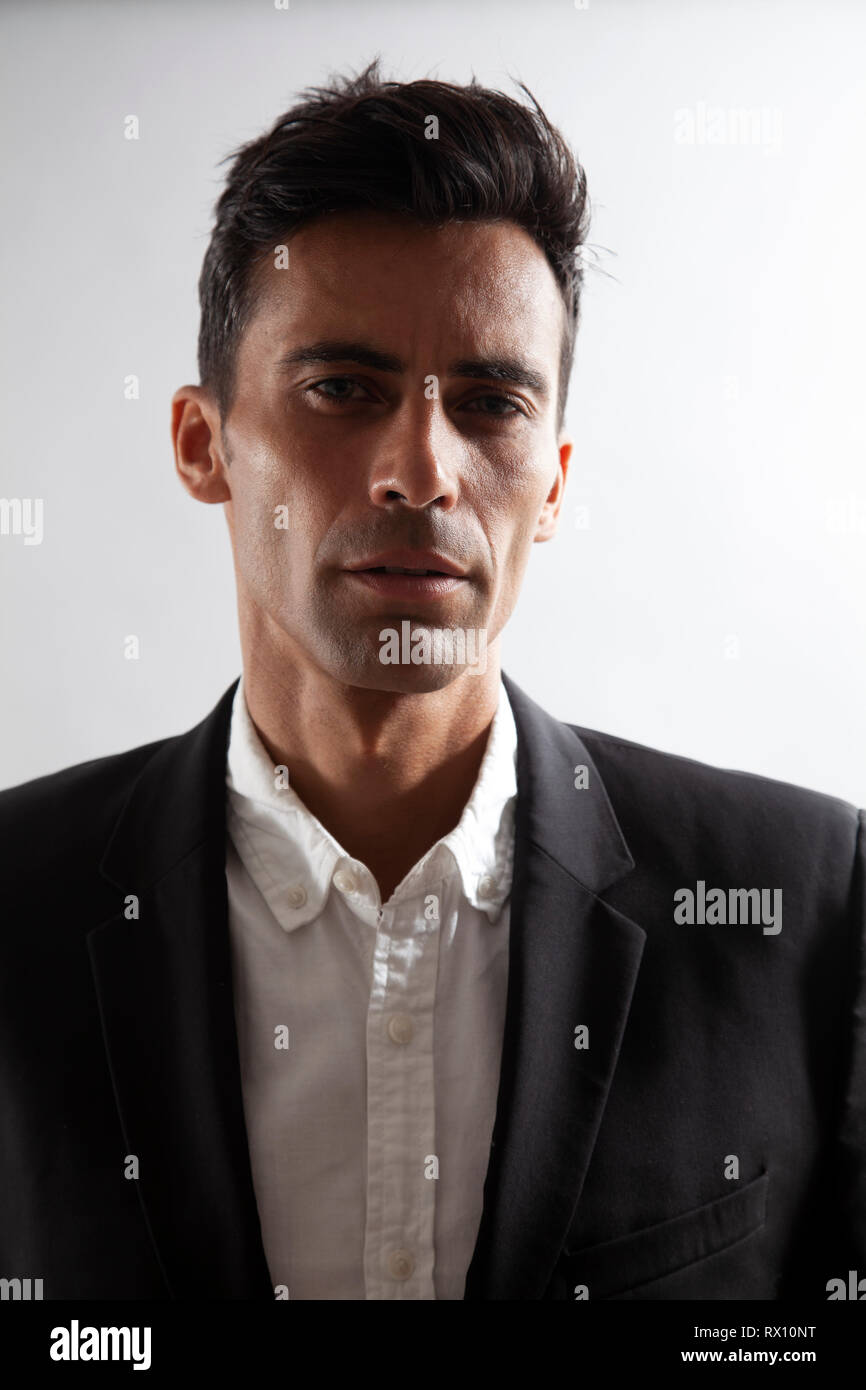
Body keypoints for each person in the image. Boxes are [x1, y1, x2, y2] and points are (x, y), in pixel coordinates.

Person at [0, 58, 862, 1302]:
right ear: (203, 445)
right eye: (341, 389)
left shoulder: (805, 903)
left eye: (489, 401)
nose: (420, 468)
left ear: (554, 482)